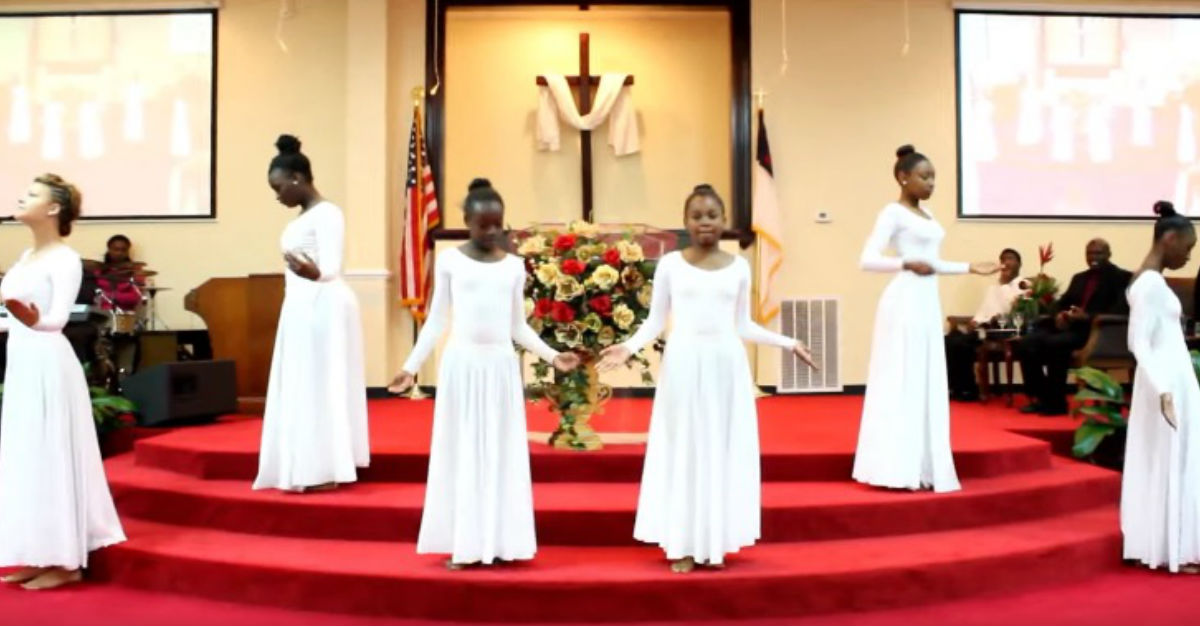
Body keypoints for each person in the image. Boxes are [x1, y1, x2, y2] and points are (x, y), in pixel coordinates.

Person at [597, 184, 817, 573]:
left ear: (724, 221)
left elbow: (744, 325)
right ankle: (682, 542)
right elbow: (654, 322)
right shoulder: (670, 265)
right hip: (684, 365)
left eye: (712, 215)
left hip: (726, 368)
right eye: (696, 216)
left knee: (719, 450)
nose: (704, 223)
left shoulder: (739, 267)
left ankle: (712, 542)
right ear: (685, 222)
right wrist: (627, 348)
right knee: (686, 450)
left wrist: (788, 341)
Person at [388, 178, 580, 569]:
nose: (492, 232)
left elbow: (518, 327)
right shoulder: (450, 261)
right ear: (467, 222)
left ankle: (502, 541)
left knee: (499, 453)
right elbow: (437, 320)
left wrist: (552, 355)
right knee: (463, 453)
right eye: (483, 225)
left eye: (498, 224)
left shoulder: (513, 266)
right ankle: (465, 542)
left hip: (500, 369)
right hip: (462, 367)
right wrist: (410, 368)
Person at [0, 173, 125, 589]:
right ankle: (37, 552)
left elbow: (56, 319)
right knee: (26, 456)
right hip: (20, 361)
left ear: (54, 208)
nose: (22, 196)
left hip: (48, 362)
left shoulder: (64, 259)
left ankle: (66, 562)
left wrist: (32, 319)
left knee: (48, 453)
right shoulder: (24, 258)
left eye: (33, 194)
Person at [854, 145, 999, 493]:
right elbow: (867, 259)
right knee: (901, 375)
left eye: (934, 176)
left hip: (925, 300)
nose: (931, 182)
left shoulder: (929, 215)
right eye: (924, 176)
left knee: (924, 377)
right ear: (903, 178)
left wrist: (969, 267)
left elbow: (931, 262)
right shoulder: (892, 212)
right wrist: (904, 263)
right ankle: (893, 466)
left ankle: (922, 463)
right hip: (903, 301)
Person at [253, 134, 370, 492]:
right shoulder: (303, 217)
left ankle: (324, 467)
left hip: (324, 305)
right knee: (304, 384)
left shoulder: (329, 213)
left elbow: (332, 266)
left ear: (297, 179)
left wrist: (313, 273)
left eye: (278, 188)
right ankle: (307, 463)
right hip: (301, 307)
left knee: (321, 383)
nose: (277, 197)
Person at [1122, 200, 1200, 573]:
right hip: (1164, 382)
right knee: (1170, 460)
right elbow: (1138, 342)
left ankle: (1167, 543)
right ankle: (1171, 549)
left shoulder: (1150, 280)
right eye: (1187, 247)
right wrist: (1165, 390)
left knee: (1170, 460)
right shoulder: (1150, 285)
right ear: (1169, 238)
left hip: (1169, 380)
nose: (1188, 255)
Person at [1015, 238, 1132, 415]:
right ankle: (1040, 397)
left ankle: (1056, 404)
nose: (1093, 257)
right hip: (1071, 327)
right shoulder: (1079, 278)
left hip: (1096, 332)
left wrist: (1087, 316)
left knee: (1055, 344)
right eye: (1090, 253)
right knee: (1027, 343)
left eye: (1098, 253)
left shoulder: (1121, 277)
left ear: (1109, 254)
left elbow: (1121, 311)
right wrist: (1059, 315)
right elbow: (1062, 303)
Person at [945, 248, 1026, 401]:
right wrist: (975, 320)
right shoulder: (993, 287)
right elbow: (984, 310)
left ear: (1019, 264)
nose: (1006, 263)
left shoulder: (1023, 285)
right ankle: (956, 387)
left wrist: (1004, 285)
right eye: (1003, 260)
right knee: (949, 340)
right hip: (983, 329)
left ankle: (968, 390)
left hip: (1002, 331)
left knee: (960, 344)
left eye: (1010, 259)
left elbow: (1016, 312)